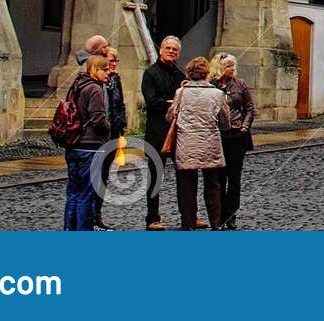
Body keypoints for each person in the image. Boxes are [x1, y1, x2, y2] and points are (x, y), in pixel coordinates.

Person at [170, 56, 230, 230]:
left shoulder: (180, 93)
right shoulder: (218, 94)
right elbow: (226, 122)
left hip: (186, 145)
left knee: (187, 187)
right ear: (207, 73)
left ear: (189, 72)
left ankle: (188, 224)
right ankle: (216, 223)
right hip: (210, 145)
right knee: (213, 186)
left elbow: (170, 116)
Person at [61, 54, 112, 231]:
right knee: (86, 195)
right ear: (94, 69)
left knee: (73, 193)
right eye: (104, 69)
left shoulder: (76, 85)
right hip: (90, 146)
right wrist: (108, 127)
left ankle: (69, 229)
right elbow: (97, 119)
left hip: (73, 144)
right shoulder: (95, 89)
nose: (108, 73)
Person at [139, 36, 185, 230]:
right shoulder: (150, 73)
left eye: (175, 49)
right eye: (168, 48)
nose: (171, 51)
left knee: (185, 174)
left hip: (177, 133)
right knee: (155, 175)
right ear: (160, 50)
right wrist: (170, 103)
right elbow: (151, 101)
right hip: (156, 133)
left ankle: (188, 216)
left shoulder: (180, 74)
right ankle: (152, 218)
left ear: (179, 53)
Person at [210, 53, 256, 230]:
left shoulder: (240, 84)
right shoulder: (212, 86)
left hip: (237, 134)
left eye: (233, 65)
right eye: (228, 65)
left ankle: (231, 214)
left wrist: (244, 127)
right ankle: (219, 214)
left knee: (234, 177)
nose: (231, 69)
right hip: (219, 135)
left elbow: (250, 108)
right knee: (219, 178)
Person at [94, 47, 128, 229]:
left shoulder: (115, 80)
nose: (113, 64)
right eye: (110, 60)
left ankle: (97, 216)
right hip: (100, 136)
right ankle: (89, 217)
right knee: (95, 176)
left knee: (104, 176)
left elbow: (120, 104)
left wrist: (121, 127)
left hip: (113, 133)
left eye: (116, 61)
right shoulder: (98, 82)